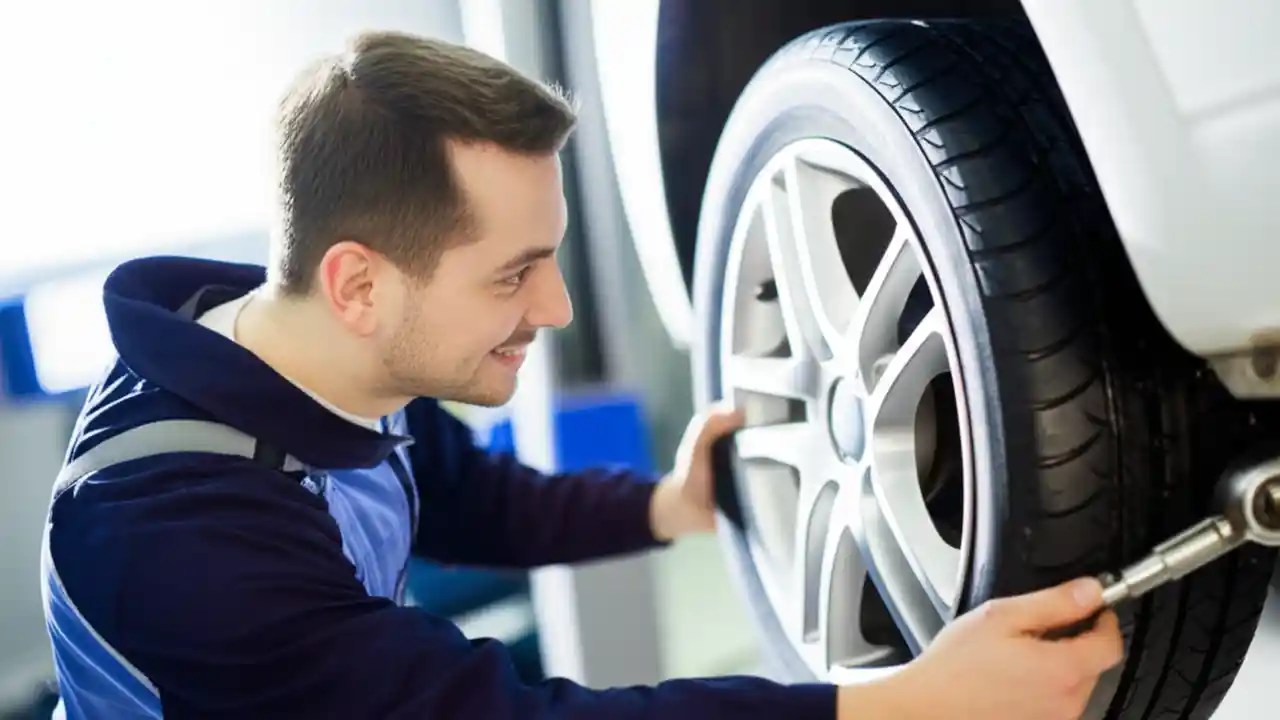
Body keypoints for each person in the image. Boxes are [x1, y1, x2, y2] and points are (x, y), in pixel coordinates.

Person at [40, 30, 1123, 719]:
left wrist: (663, 506)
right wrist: (899, 709)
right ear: (358, 283)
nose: (553, 309)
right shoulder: (168, 538)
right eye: (514, 272)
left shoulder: (312, 344)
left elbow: (458, 497)